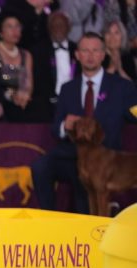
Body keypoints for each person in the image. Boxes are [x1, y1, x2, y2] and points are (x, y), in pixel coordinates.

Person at [31, 32, 137, 214]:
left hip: (106, 160)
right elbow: (56, 129)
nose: (90, 55)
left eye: (95, 50)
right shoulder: (67, 88)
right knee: (40, 167)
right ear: (77, 55)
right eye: (85, 50)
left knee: (85, 209)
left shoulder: (122, 87)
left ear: (104, 55)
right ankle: (47, 220)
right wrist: (65, 125)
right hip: (72, 157)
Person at [29, 10, 77, 122]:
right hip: (46, 106)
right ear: (49, 28)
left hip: (74, 105)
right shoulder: (38, 51)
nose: (58, 29)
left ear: (69, 28)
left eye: (62, 25)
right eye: (54, 26)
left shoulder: (78, 50)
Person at [0, 11, 34, 122]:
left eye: (17, 26)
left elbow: (28, 84)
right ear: (0, 32)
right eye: (9, 26)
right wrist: (11, 96)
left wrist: (24, 95)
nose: (15, 31)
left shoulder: (26, 54)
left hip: (21, 102)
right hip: (0, 102)